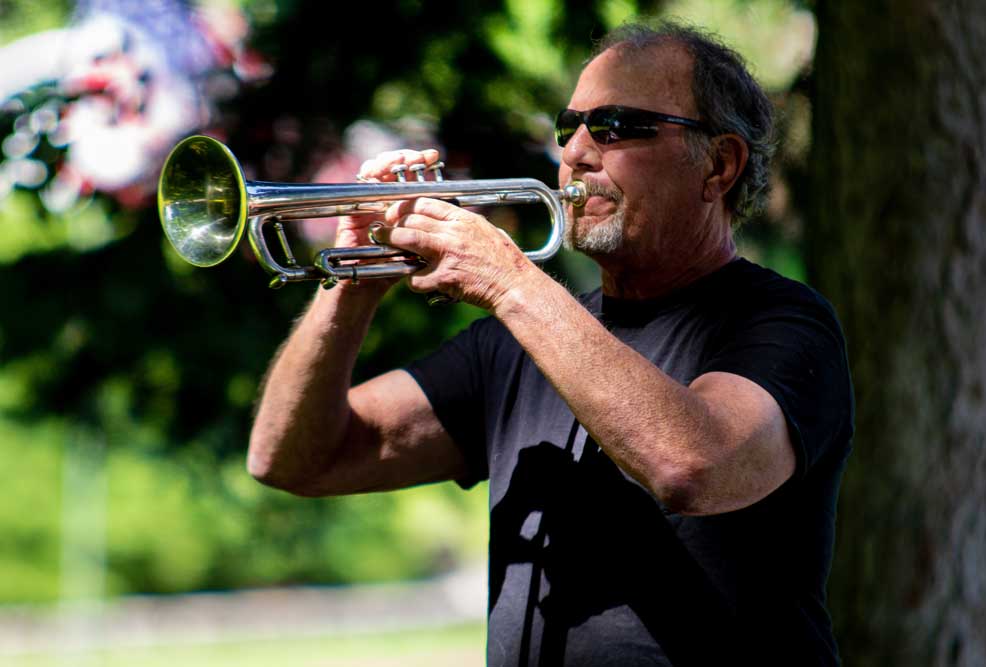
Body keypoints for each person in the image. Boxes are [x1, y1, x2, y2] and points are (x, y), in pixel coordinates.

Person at [247, 18, 854, 667]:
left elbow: (692, 465)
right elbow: (291, 457)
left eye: (617, 127)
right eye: (570, 129)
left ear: (719, 164)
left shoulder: (783, 322)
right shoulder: (510, 347)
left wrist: (509, 280)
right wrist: (351, 283)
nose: (577, 154)